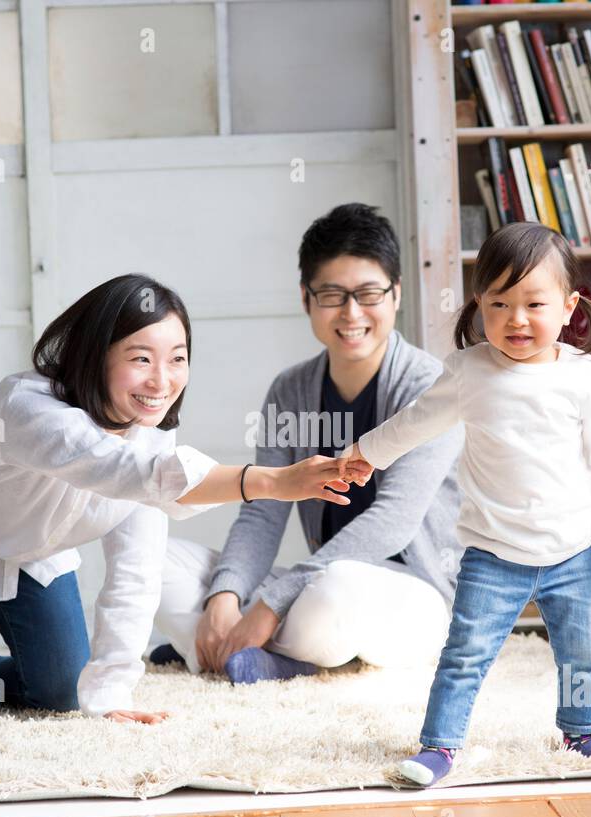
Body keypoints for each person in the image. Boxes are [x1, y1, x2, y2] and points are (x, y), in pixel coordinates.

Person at [0, 274, 356, 724]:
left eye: (177, 358)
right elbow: (125, 470)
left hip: (20, 545)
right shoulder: (30, 409)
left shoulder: (151, 441)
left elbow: (136, 572)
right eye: (140, 358)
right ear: (95, 356)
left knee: (62, 695)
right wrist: (272, 480)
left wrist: (109, 693)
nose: (162, 380)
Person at [341, 222, 591, 786]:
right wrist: (367, 453)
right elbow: (414, 423)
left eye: (534, 303)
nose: (516, 319)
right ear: (479, 304)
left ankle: (582, 734)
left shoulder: (587, 380)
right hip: (491, 552)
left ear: (568, 307)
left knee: (583, 651)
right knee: (466, 653)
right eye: (499, 303)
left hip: (572, 553)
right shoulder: (469, 372)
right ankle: (439, 747)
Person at [150, 203, 462, 684]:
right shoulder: (291, 390)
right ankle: (260, 654)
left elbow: (393, 523)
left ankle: (224, 649)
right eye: (333, 295)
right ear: (306, 299)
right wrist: (225, 598)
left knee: (333, 592)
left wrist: (272, 602)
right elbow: (261, 509)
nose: (351, 312)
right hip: (315, 580)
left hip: (417, 597)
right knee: (154, 555)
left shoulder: (430, 388)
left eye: (369, 293)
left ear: (396, 294)